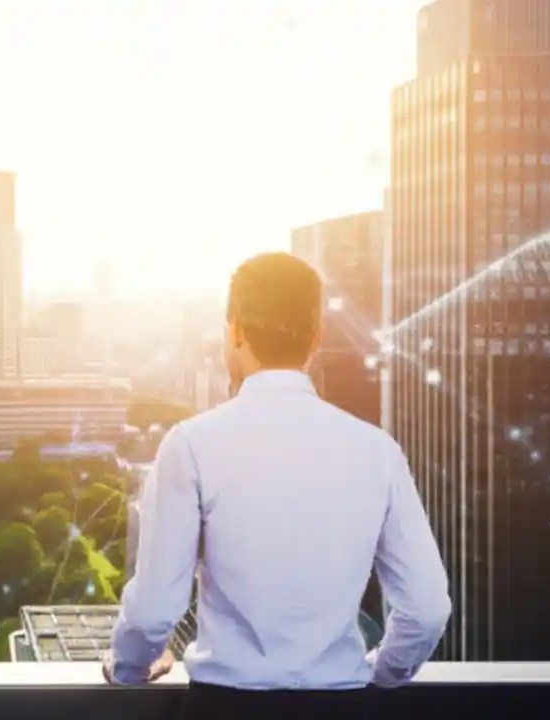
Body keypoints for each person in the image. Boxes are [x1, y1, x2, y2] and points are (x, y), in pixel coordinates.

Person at [105, 253, 450, 719]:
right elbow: (427, 609)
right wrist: (381, 672)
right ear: (316, 337)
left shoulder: (190, 446)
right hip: (343, 708)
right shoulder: (376, 450)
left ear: (235, 331)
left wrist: (128, 669)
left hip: (224, 711)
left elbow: (153, 611)